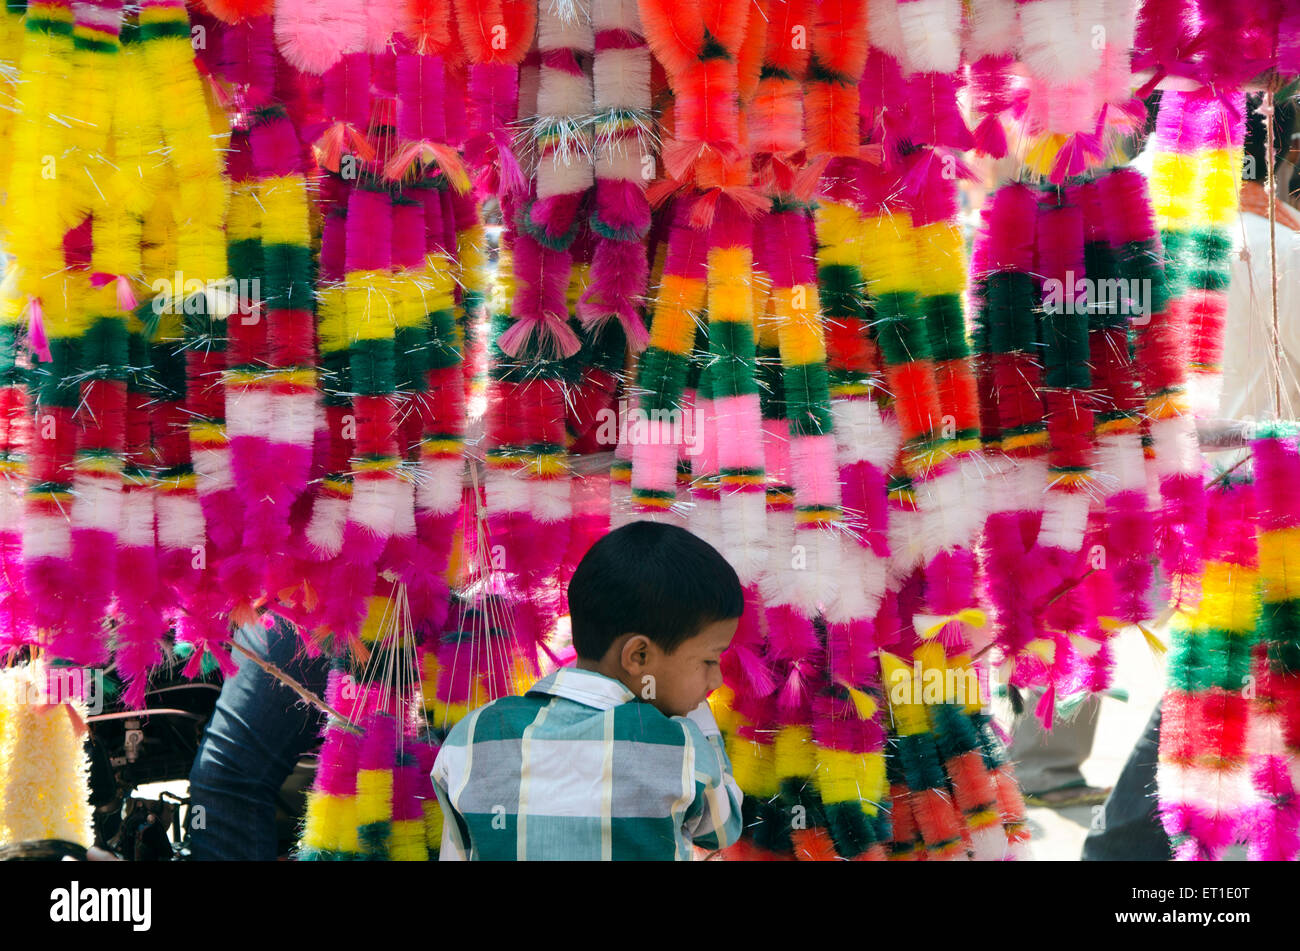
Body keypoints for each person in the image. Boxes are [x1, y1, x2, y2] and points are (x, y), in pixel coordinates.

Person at [431, 520, 745, 860]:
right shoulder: (678, 745)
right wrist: (699, 717)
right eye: (710, 661)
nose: (715, 682)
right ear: (638, 656)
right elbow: (723, 827)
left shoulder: (473, 736)